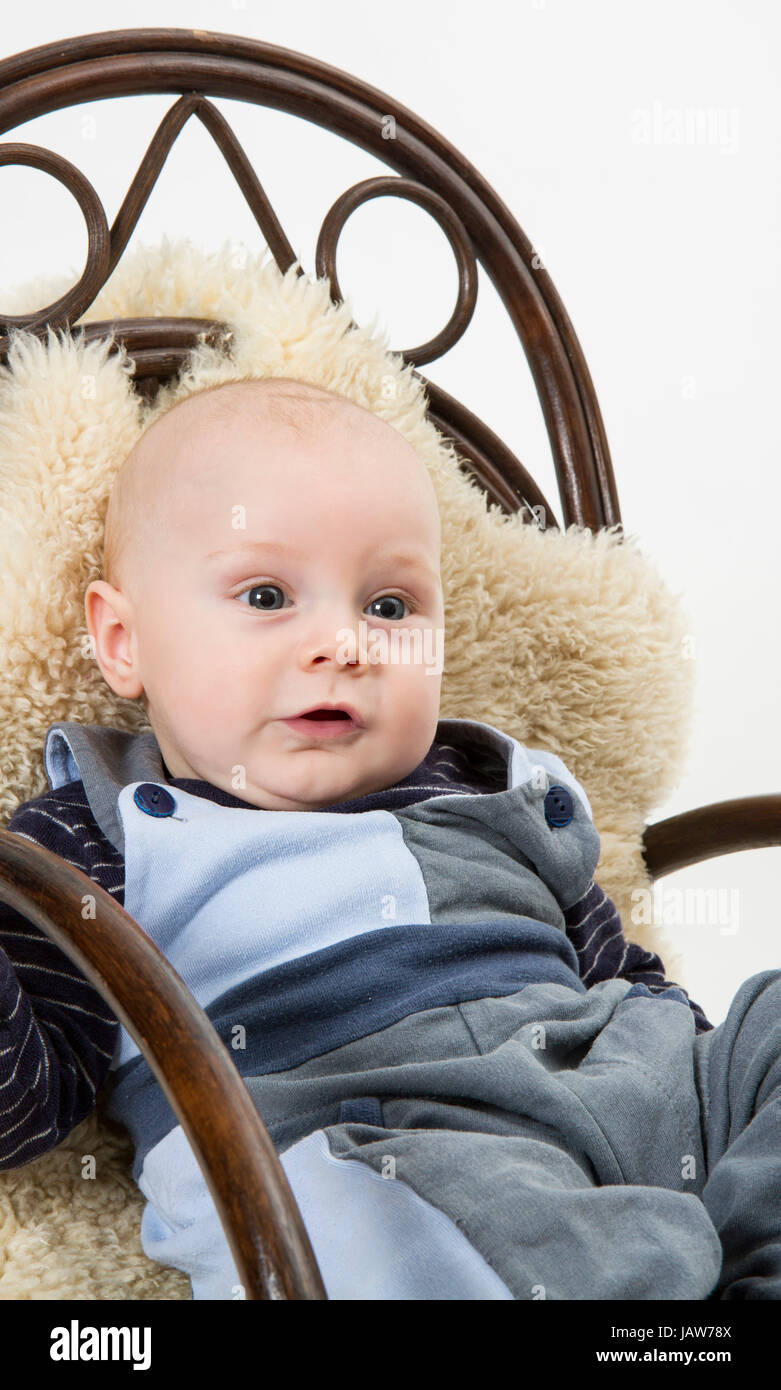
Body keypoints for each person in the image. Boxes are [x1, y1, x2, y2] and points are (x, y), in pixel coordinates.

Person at [1, 376, 777, 1300]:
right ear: (123, 641)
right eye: (264, 594)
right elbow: (22, 1101)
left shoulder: (488, 777)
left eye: (390, 607)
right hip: (384, 1143)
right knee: (366, 1227)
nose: (344, 642)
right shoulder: (95, 843)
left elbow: (617, 972)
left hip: (623, 1077)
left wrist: (703, 1087)